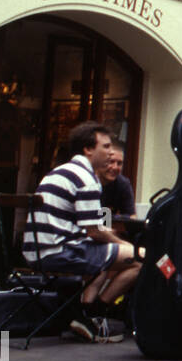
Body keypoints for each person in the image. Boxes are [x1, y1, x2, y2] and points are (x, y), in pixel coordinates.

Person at [22, 122, 138, 343]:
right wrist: (124, 245)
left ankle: (84, 316)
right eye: (105, 147)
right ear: (88, 149)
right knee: (140, 258)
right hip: (60, 252)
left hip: (37, 252)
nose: (110, 154)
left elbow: (93, 228)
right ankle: (94, 312)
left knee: (102, 256)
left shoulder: (58, 172)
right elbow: (95, 232)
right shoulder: (86, 179)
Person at [98, 145, 136, 218]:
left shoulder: (123, 184)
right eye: (111, 162)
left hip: (107, 225)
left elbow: (132, 216)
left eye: (119, 163)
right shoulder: (87, 181)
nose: (115, 167)